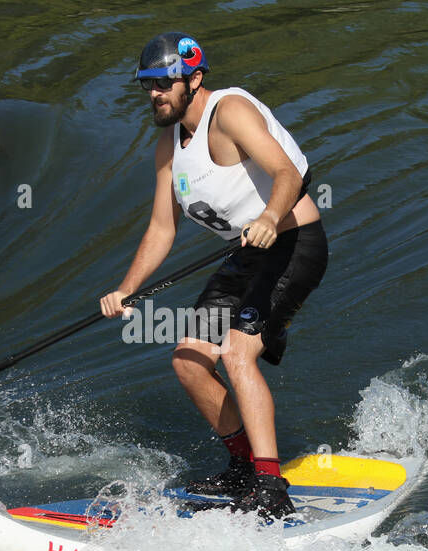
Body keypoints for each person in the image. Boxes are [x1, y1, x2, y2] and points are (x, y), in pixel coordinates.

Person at [100, 32, 328, 519]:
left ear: (194, 78)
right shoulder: (168, 145)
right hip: (244, 255)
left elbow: (287, 173)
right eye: (148, 84)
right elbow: (162, 227)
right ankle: (243, 466)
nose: (156, 93)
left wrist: (269, 217)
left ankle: (270, 484)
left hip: (293, 245)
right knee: (188, 358)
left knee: (238, 352)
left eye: (165, 83)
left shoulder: (229, 111)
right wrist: (127, 288)